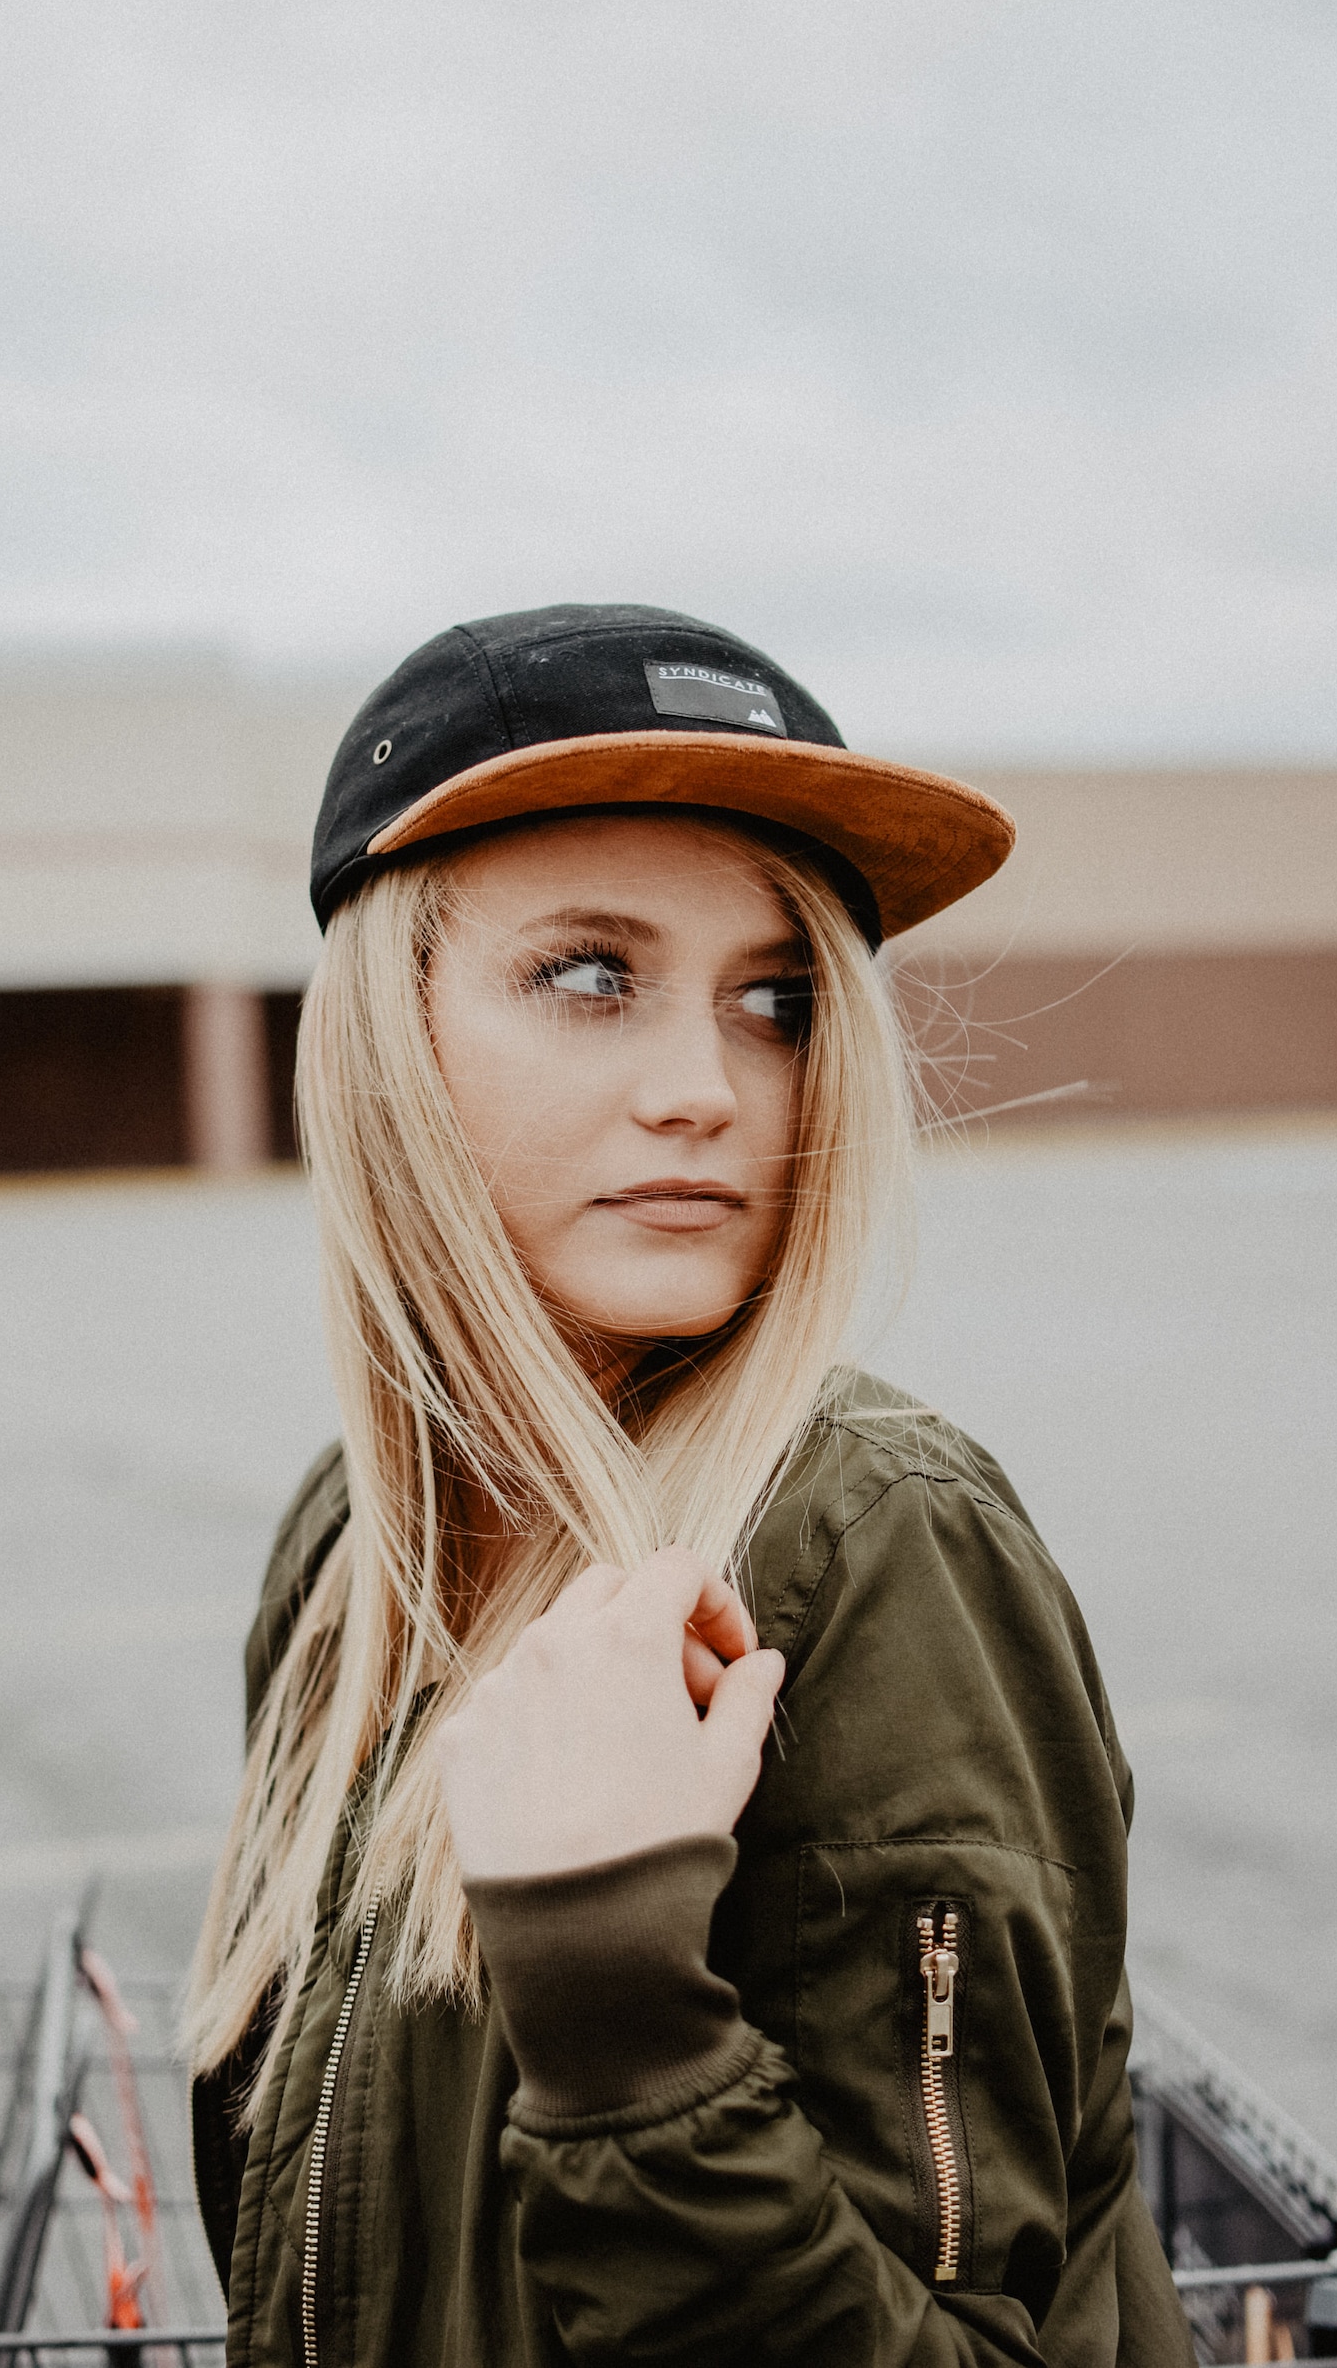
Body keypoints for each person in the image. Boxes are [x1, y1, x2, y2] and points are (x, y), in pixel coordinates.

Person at [185, 604, 1195, 2367]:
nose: (705, 1091)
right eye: (591, 975)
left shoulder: (874, 1548)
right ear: (384, 1032)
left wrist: (620, 2018)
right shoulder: (350, 1550)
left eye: (777, 1000)